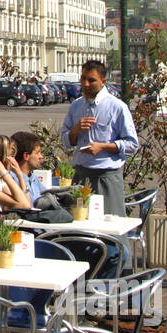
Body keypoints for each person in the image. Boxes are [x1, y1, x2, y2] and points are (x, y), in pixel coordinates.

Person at [60, 60, 138, 218]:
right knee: (79, 224)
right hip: (80, 177)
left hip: (106, 178)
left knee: (110, 224)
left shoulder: (117, 107)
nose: (86, 84)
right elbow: (65, 140)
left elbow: (132, 144)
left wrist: (102, 147)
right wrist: (75, 131)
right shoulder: (76, 106)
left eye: (91, 80)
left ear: (103, 81)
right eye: (83, 79)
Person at [9, 131, 68, 211]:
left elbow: (47, 196)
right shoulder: (11, 179)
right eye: (37, 153)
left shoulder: (33, 178)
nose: (41, 156)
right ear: (26, 156)